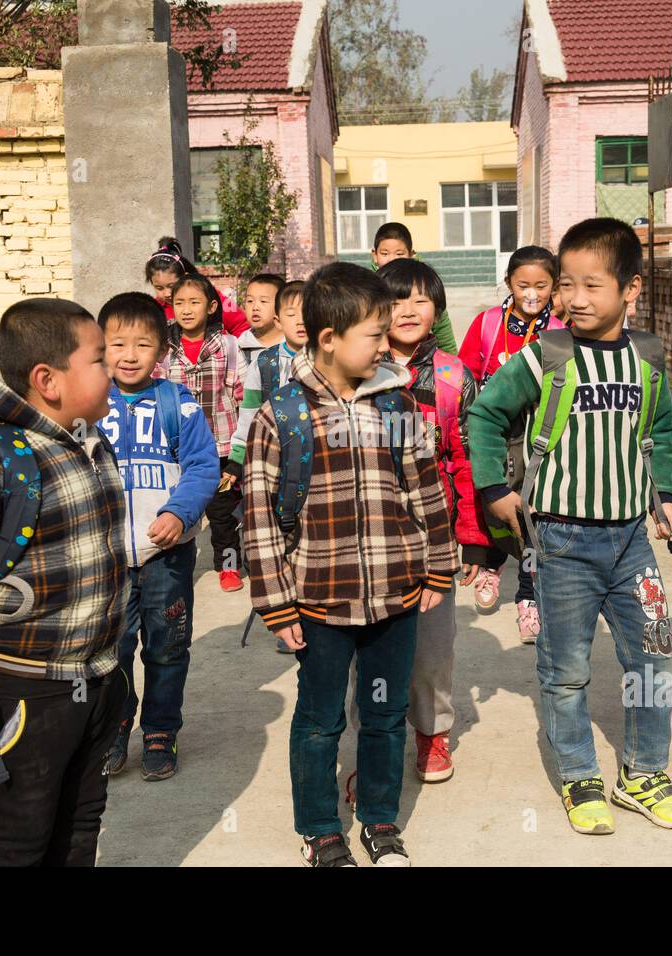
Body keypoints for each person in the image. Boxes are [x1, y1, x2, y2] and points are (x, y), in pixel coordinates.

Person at [468, 217, 672, 835]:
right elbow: (485, 416)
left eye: (590, 285)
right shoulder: (542, 356)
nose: (572, 298)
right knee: (565, 669)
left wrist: (666, 494)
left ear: (630, 289)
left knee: (654, 657)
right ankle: (579, 778)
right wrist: (494, 489)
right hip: (561, 542)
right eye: (566, 284)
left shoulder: (648, 356)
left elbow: (656, 432)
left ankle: (644, 774)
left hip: (630, 544)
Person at [242, 262, 456, 867]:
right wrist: (276, 604)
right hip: (319, 601)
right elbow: (257, 519)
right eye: (373, 334)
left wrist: (438, 566)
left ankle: (380, 820)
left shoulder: (397, 404)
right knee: (319, 719)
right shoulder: (280, 415)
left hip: (396, 595)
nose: (385, 345)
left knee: (386, 714)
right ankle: (319, 829)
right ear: (328, 338)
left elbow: (426, 489)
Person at [0, 297, 128, 866]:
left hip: (95, 677)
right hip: (24, 689)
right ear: (48, 380)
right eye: (100, 359)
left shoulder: (87, 442)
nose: (115, 371)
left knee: (80, 823)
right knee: (16, 837)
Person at [96, 292, 219, 781]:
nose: (129, 355)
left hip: (165, 555)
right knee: (113, 649)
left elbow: (203, 466)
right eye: (117, 344)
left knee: (167, 646)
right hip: (106, 558)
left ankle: (160, 730)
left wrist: (178, 512)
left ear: (162, 351)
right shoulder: (89, 404)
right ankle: (114, 725)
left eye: (142, 345)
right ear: (100, 347)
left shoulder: (177, 404)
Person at [376, 257, 490, 783]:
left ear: (437, 309)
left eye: (421, 299)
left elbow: (467, 457)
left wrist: (472, 535)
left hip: (434, 533)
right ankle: (372, 748)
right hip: (369, 532)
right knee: (369, 652)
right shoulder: (358, 367)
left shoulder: (453, 375)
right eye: (397, 299)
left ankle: (432, 734)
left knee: (432, 649)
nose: (409, 310)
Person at [457, 244, 566, 639]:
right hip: (494, 433)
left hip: (539, 437)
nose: (532, 294)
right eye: (524, 285)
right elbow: (466, 372)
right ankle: (490, 567)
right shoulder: (487, 323)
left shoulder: (559, 332)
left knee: (532, 514)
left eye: (542, 285)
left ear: (554, 287)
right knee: (491, 500)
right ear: (509, 284)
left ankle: (528, 598)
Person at [226, 281, 308, 652]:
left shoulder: (331, 358)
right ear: (279, 318)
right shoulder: (265, 361)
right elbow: (249, 415)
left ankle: (309, 613)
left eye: (308, 312)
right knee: (277, 538)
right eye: (291, 313)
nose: (300, 321)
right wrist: (237, 460)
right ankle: (286, 616)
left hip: (314, 464)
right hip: (275, 463)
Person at [156, 272, 247, 592]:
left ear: (210, 307)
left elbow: (241, 394)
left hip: (220, 446)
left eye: (194, 302)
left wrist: (240, 451)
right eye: (179, 302)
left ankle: (230, 566)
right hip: (178, 447)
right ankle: (172, 570)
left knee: (223, 517)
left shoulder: (229, 345)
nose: (186, 309)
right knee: (178, 510)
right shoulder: (164, 348)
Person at [369, 222, 458, 353]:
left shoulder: (425, 283)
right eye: (385, 253)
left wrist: (452, 365)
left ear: (412, 254)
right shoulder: (368, 288)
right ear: (375, 255)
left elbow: (444, 336)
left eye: (399, 254)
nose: (408, 312)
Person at [144, 236, 250, 337]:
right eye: (159, 288)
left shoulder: (210, 296)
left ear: (185, 277)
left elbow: (241, 326)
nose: (167, 293)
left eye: (171, 286)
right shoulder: (154, 309)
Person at [236, 273, 286, 368]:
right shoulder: (239, 347)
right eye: (250, 301)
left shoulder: (294, 344)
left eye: (263, 301)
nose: (255, 307)